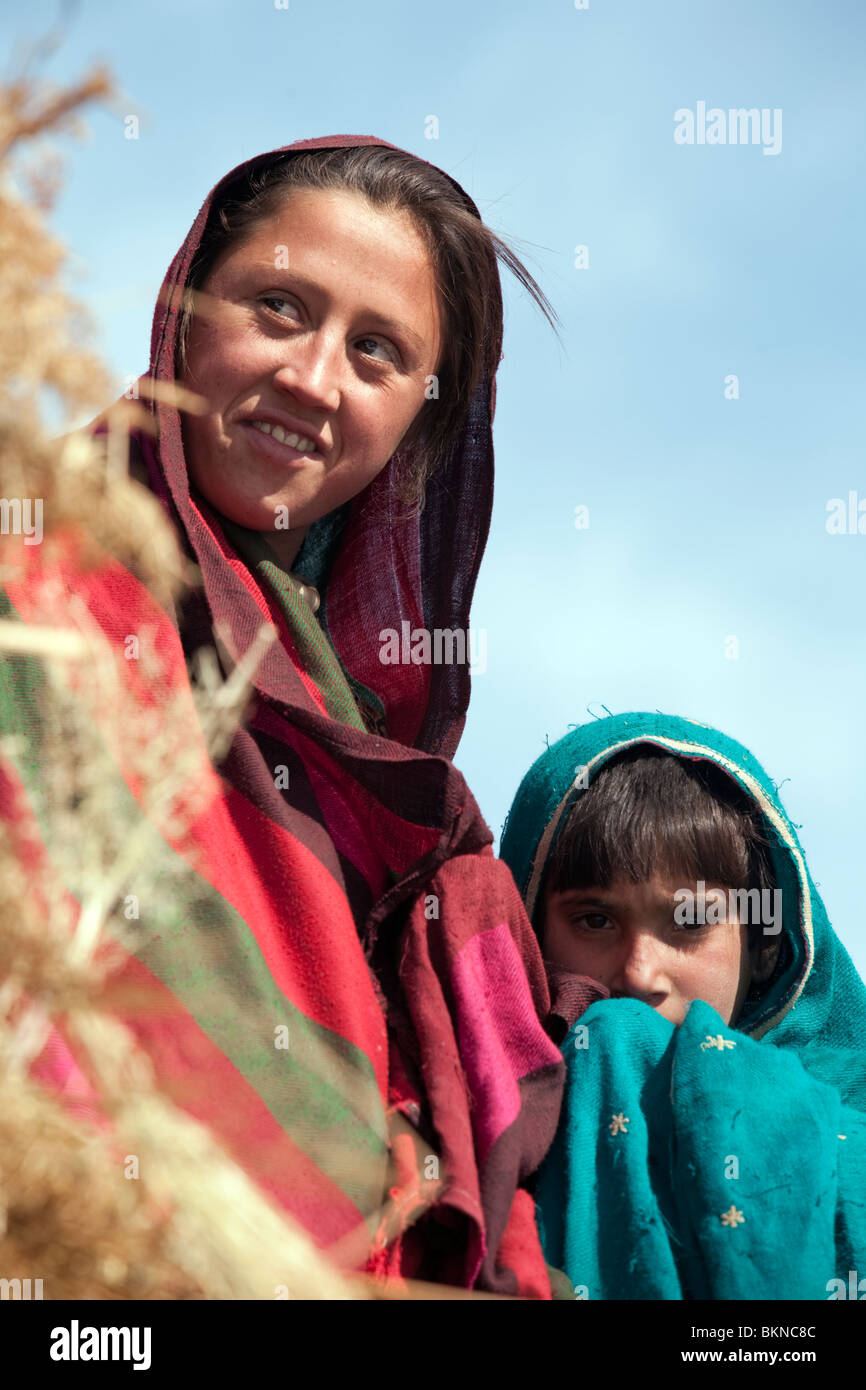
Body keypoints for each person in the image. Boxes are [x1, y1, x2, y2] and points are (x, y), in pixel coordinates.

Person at [0, 135, 566, 1295]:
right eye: (277, 306)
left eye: (376, 352)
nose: (312, 378)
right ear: (186, 307)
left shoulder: (356, 751)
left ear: (420, 412)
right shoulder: (38, 577)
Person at [499, 711, 866, 1299]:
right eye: (595, 920)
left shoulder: (850, 1165)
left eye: (689, 921)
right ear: (529, 930)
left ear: (763, 947)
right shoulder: (469, 1142)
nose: (640, 974)